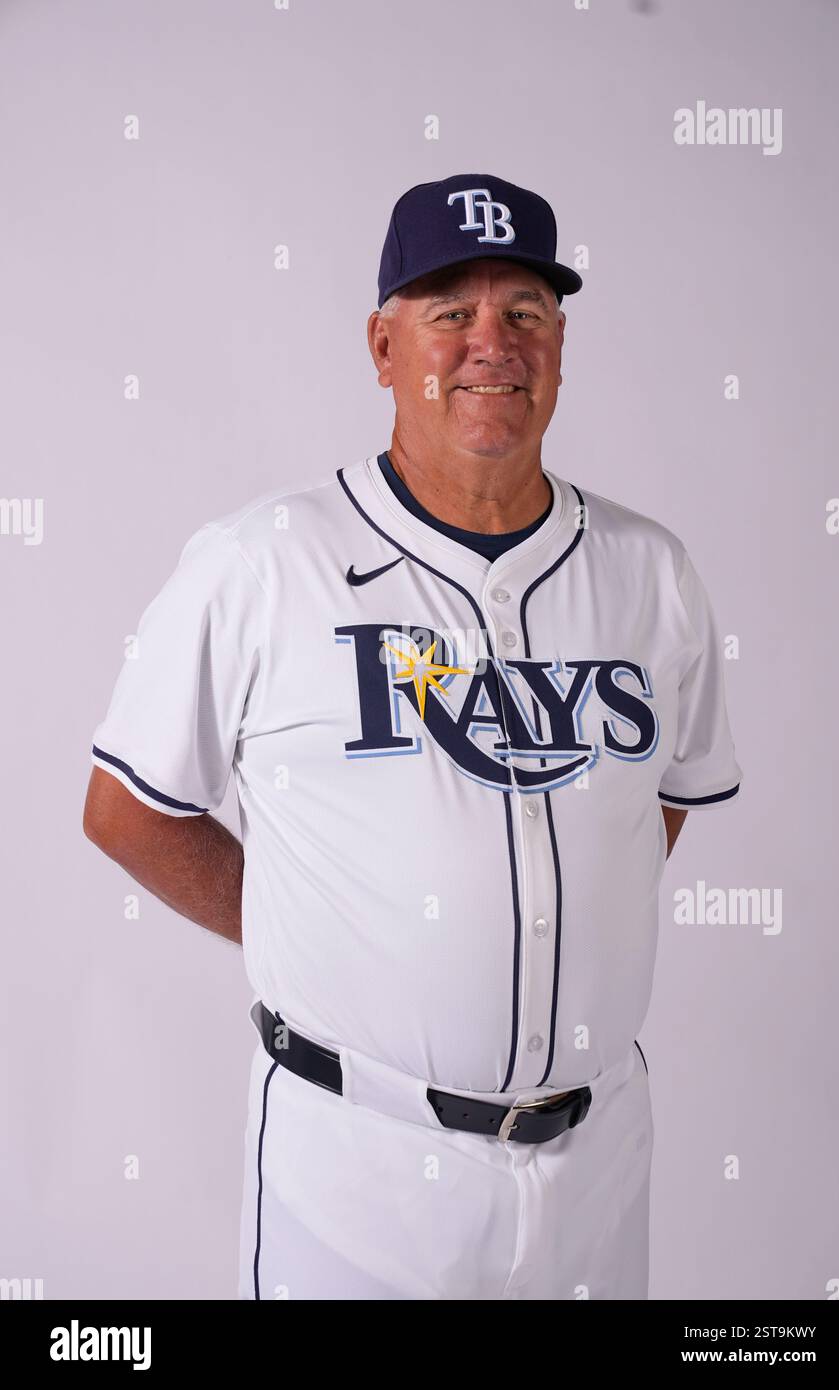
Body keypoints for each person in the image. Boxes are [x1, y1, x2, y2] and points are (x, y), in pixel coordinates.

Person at [83, 172, 743, 1299]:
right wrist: (319, 927)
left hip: (596, 1162)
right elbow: (127, 812)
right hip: (358, 1169)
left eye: (524, 312)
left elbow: (656, 806)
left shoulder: (651, 571)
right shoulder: (264, 561)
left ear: (560, 346)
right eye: (450, 311)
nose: (494, 343)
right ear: (383, 346)